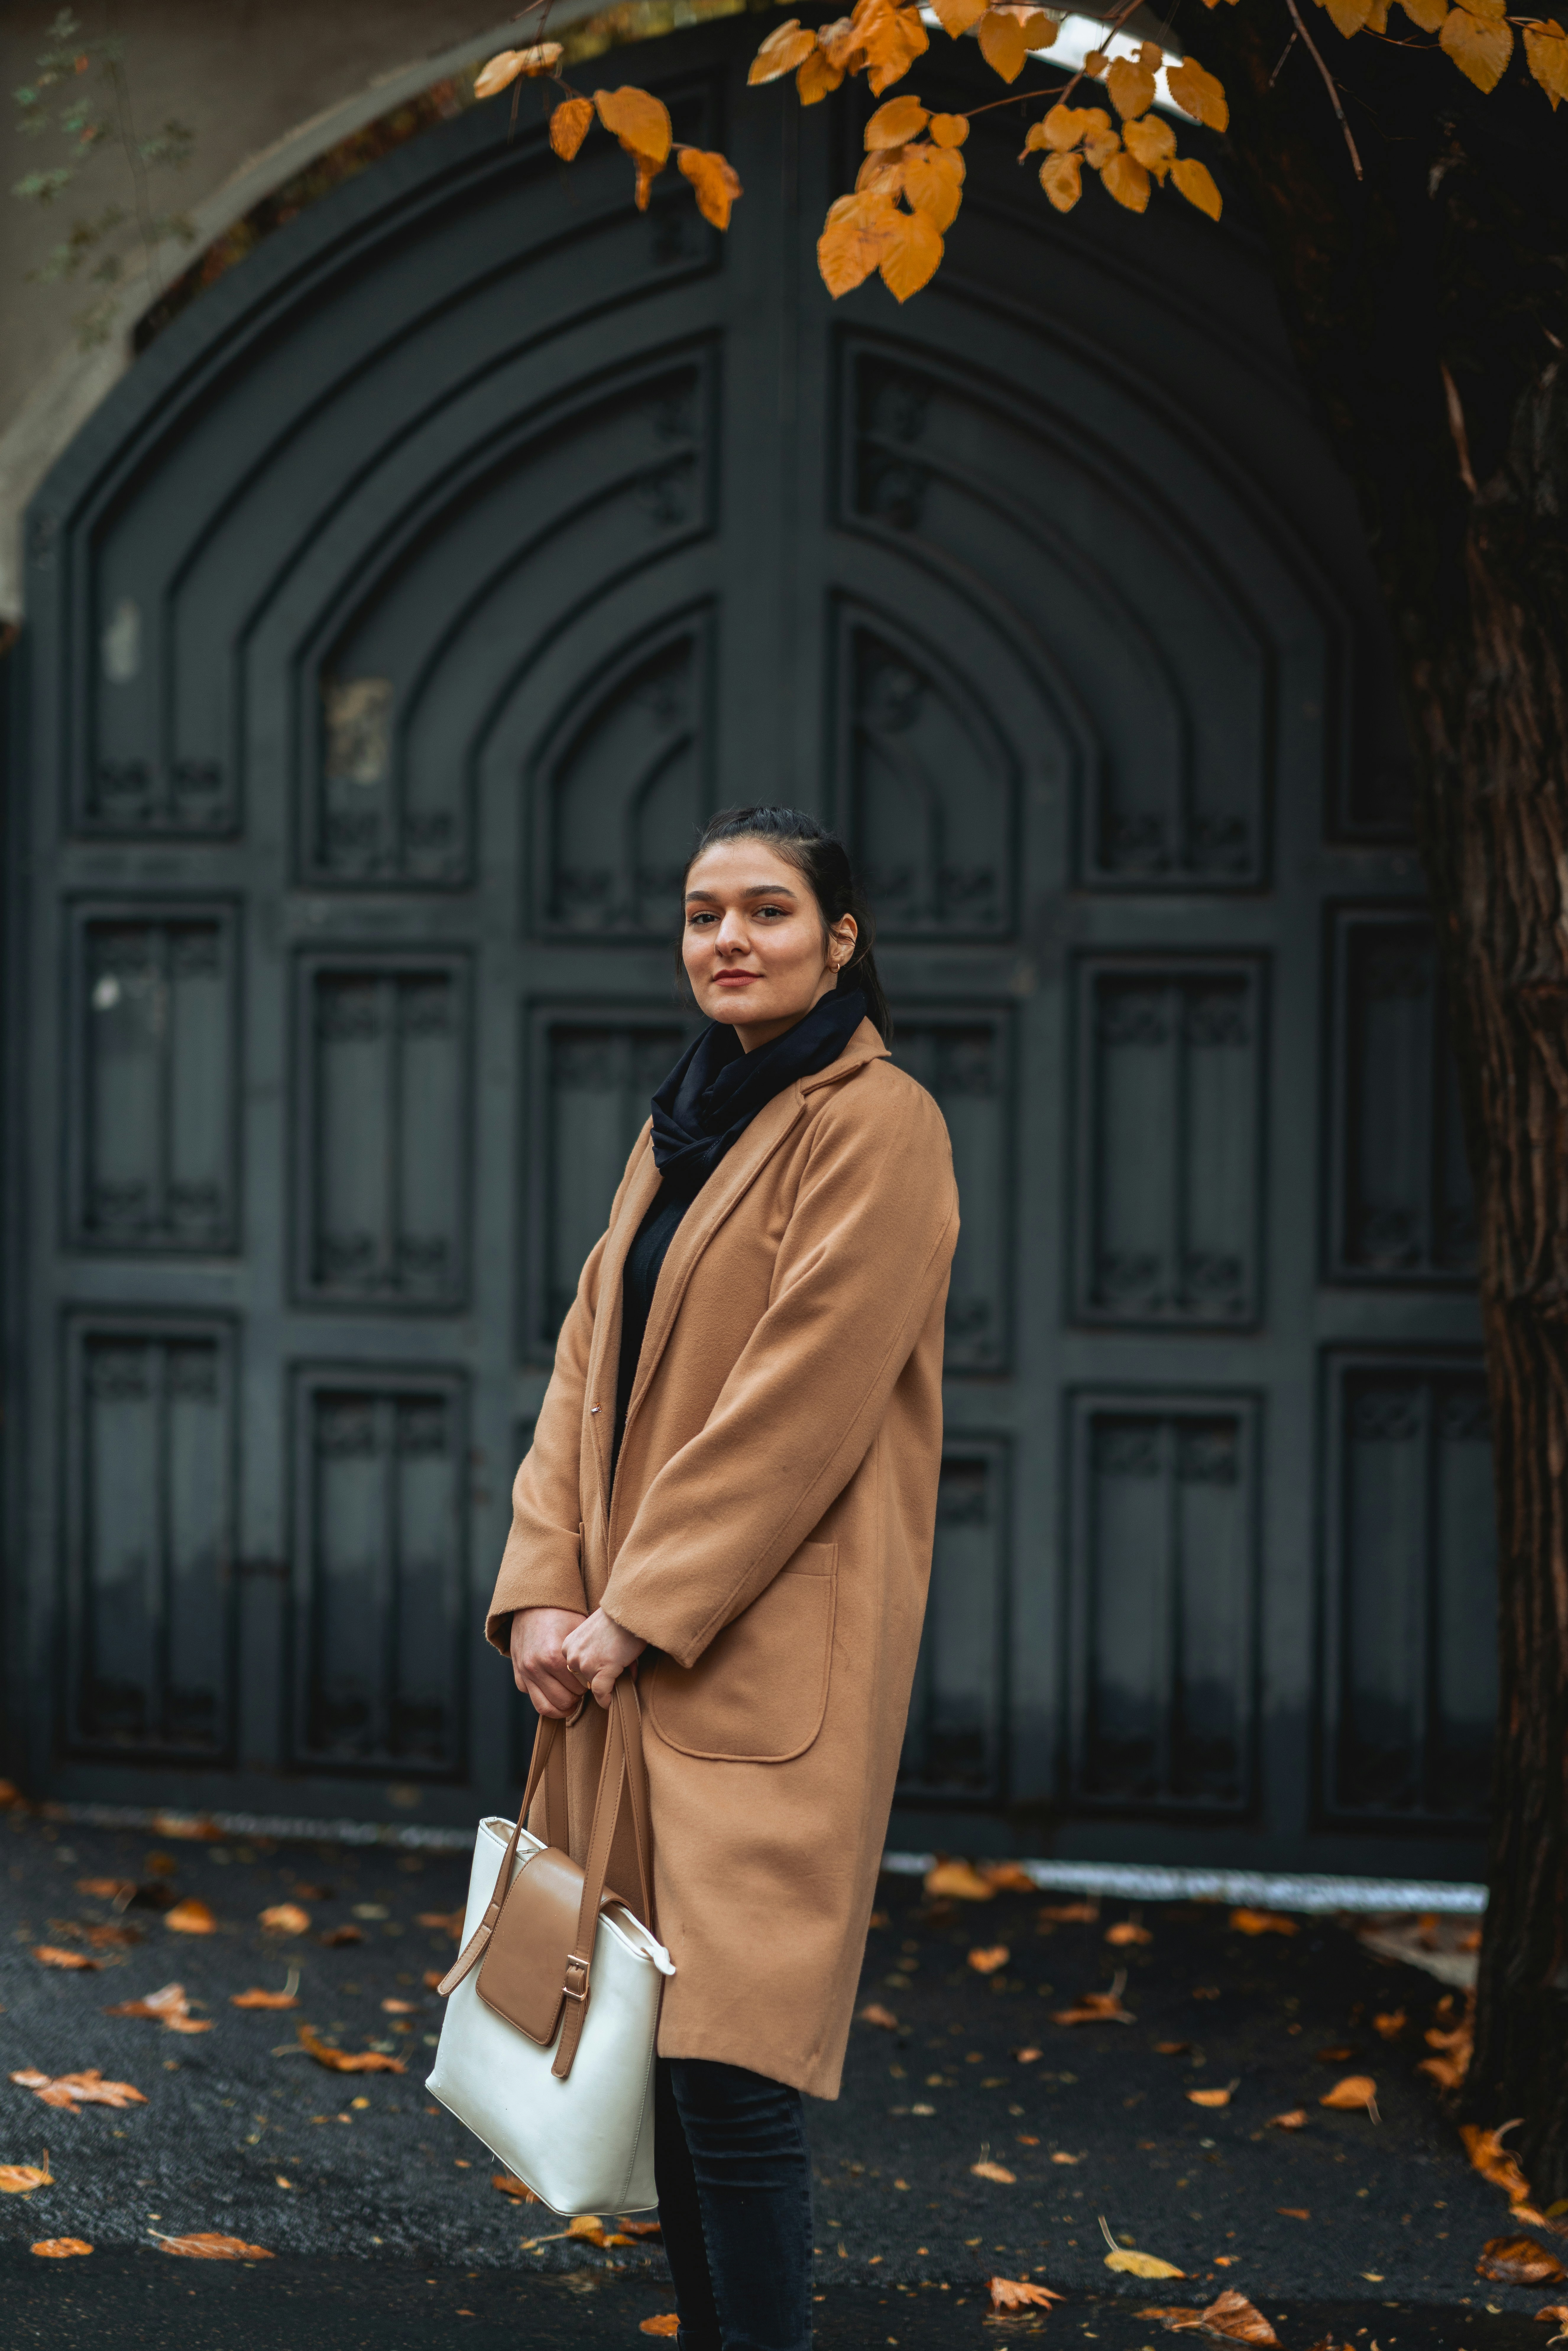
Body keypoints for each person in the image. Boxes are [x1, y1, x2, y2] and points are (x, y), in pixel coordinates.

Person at [485, 805, 960, 2351]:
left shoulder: (877, 1124)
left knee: (732, 2074)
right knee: (658, 2064)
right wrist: (545, 1589)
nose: (729, 940)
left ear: (838, 939)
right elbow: (584, 1368)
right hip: (621, 1653)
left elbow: (800, 1402)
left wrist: (634, 1611)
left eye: (766, 911)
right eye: (703, 914)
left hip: (756, 1662)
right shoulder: (685, 1122)